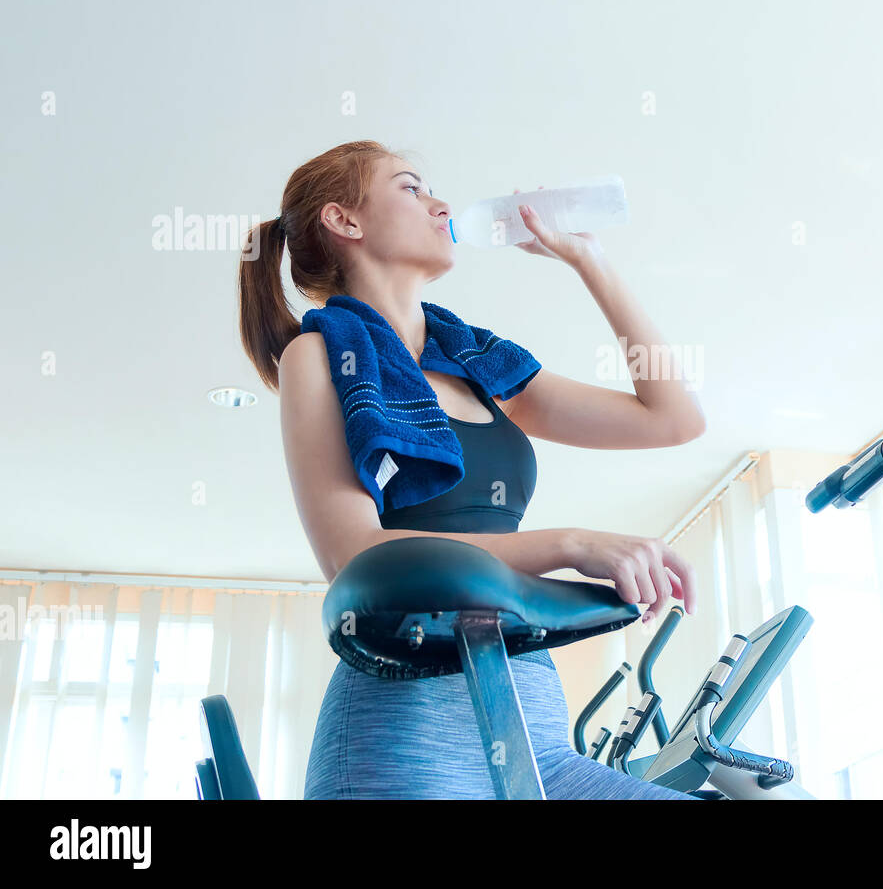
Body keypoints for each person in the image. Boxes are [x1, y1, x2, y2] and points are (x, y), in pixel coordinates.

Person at [236, 141, 706, 798]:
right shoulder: (317, 358)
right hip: (405, 728)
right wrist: (571, 545)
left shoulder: (480, 366)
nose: (441, 204)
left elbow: (672, 418)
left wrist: (589, 260)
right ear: (346, 221)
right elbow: (354, 558)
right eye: (411, 187)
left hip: (533, 723)